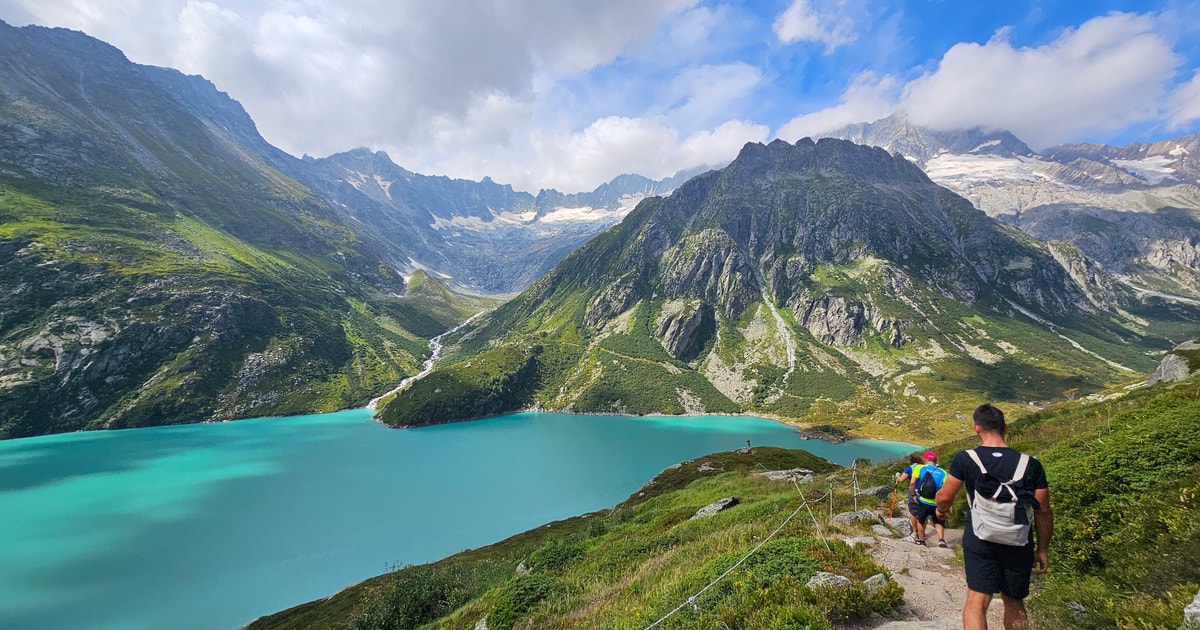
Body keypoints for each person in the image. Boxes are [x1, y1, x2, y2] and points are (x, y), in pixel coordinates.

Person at [936, 404, 1053, 630]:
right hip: (1019, 540)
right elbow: (1044, 511)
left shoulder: (966, 459)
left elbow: (945, 497)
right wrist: (1042, 549)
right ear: (1005, 427)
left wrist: (941, 510)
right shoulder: (1031, 464)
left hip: (980, 539)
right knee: (1014, 601)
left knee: (977, 600)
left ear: (976, 428)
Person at [910, 451, 947, 547]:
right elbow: (946, 488)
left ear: (925, 459)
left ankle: (922, 541)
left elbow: (912, 483)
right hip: (936, 502)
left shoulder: (920, 468)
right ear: (936, 461)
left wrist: (914, 495)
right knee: (938, 521)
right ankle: (941, 539)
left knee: (921, 521)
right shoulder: (943, 472)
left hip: (923, 500)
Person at [894, 454, 923, 542]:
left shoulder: (909, 468)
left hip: (914, 491)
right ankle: (923, 533)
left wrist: (897, 476)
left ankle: (915, 532)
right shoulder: (924, 467)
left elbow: (901, 480)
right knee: (923, 512)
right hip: (925, 492)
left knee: (913, 512)